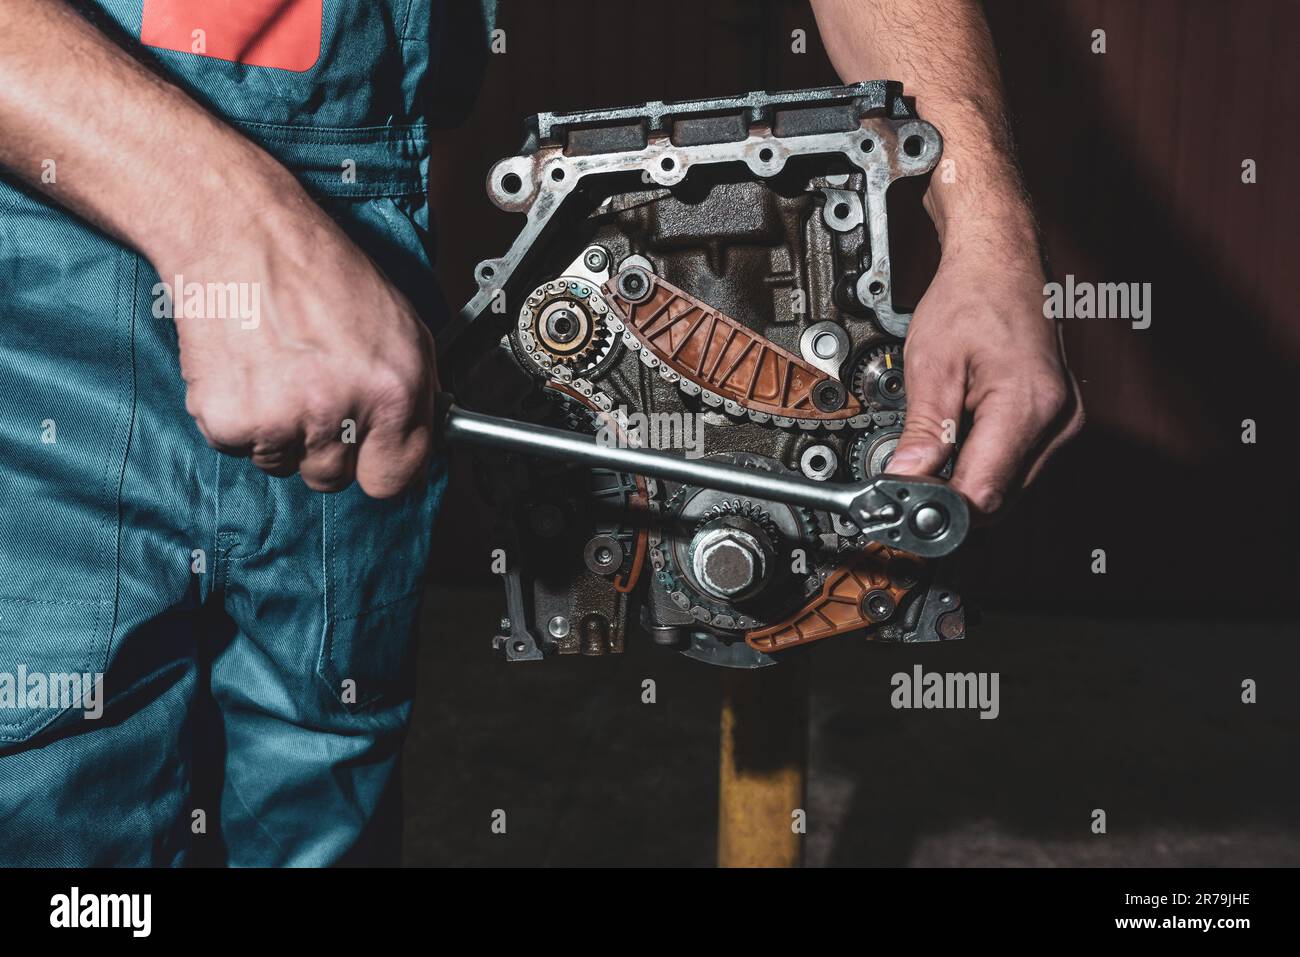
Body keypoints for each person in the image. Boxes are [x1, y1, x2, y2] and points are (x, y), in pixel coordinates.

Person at [0, 0, 1078, 866]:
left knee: (321, 789)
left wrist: (989, 230)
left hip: (367, 235)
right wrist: (224, 217)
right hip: (50, 234)